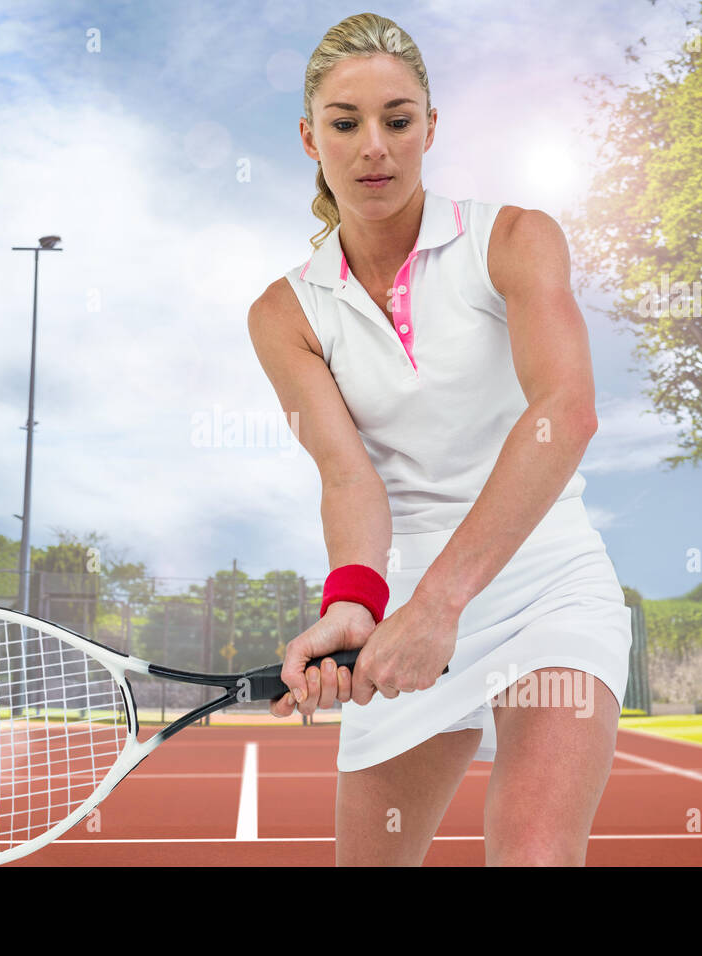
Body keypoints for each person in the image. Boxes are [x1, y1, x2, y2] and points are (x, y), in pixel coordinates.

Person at [247, 13, 633, 866]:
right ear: (311, 138)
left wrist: (441, 607)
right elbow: (350, 481)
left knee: (533, 856)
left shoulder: (515, 239)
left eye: (398, 118)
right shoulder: (285, 313)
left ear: (431, 127)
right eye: (346, 123)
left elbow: (565, 411)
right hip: (404, 611)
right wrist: (354, 603)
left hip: (544, 583)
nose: (374, 145)